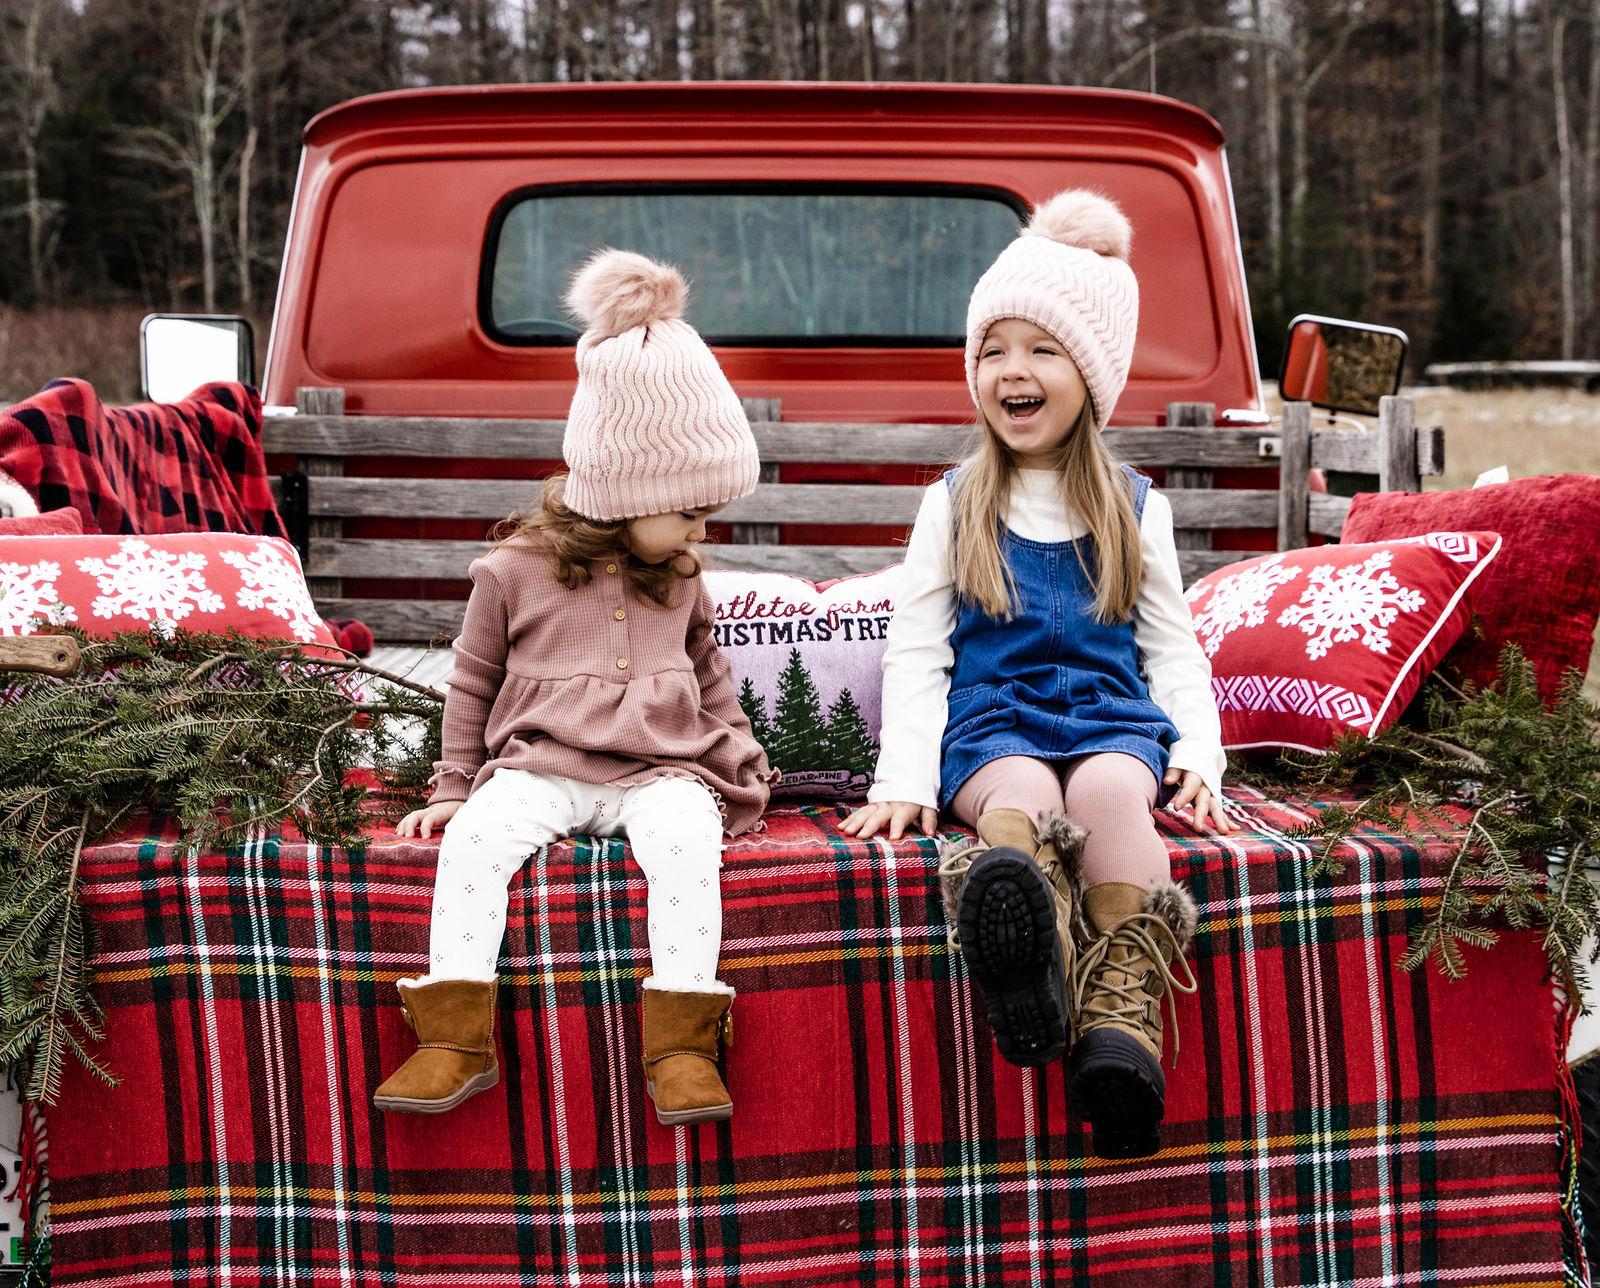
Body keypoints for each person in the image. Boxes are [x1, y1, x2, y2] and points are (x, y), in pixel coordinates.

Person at [841, 189, 1232, 1160]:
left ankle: (1119, 1021)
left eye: (1040, 349)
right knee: (1014, 796)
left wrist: (1201, 749)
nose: (1011, 370)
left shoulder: (1137, 506)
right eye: (991, 349)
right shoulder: (956, 501)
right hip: (991, 720)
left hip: (1106, 715)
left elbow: (1172, 646)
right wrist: (901, 781)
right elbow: (920, 652)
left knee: (1107, 794)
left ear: (1090, 373)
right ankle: (1026, 945)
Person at [373, 248, 775, 1126]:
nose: (703, 529)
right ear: (626, 486)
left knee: (685, 847)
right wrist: (451, 789)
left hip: (661, 768)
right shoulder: (513, 570)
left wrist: (739, 755)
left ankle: (681, 1045)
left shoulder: (677, 573)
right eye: (690, 508)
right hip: (541, 763)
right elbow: (472, 684)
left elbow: (710, 678)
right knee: (478, 840)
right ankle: (454, 1034)